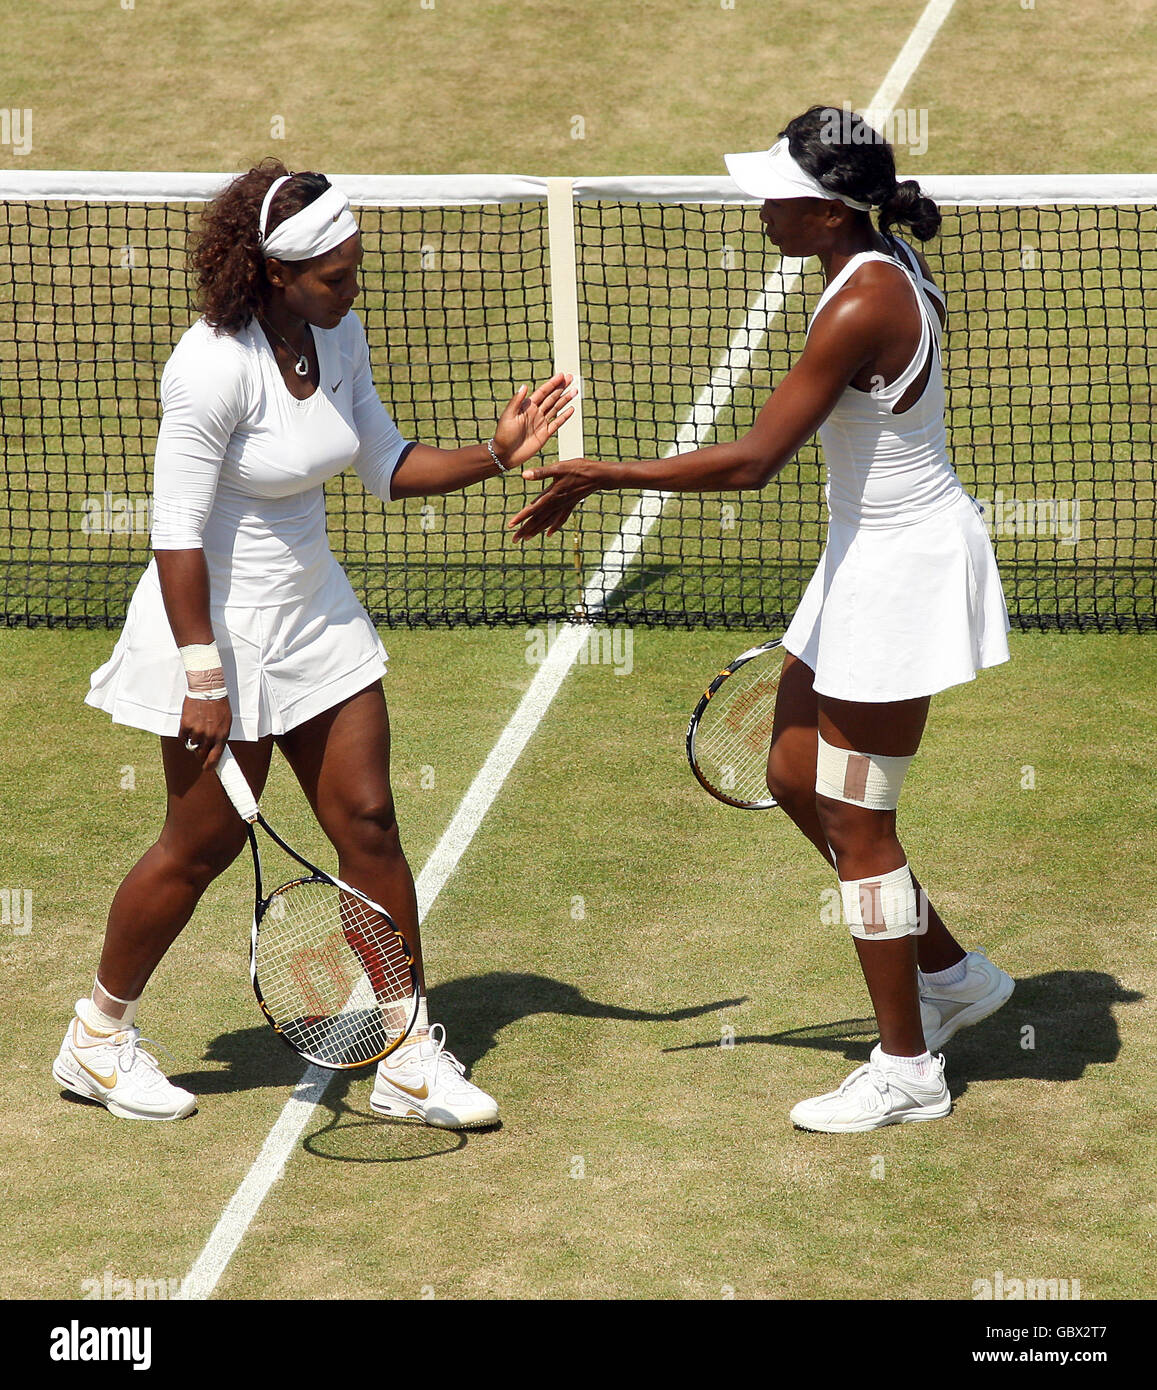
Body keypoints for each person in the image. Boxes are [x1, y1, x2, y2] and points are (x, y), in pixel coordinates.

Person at [509, 106, 1015, 1133]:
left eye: (775, 192)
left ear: (824, 213)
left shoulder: (857, 303)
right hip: (861, 561)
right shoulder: (866, 263)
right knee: (791, 774)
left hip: (899, 576)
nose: (759, 206)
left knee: (857, 821)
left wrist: (602, 469)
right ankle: (951, 973)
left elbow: (750, 460)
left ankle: (906, 1069)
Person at [54, 160, 573, 1127]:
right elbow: (174, 532)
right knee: (198, 848)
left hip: (317, 618)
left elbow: (384, 462)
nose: (354, 287)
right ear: (270, 275)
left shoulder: (338, 336)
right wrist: (202, 676)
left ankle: (408, 1052)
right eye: (334, 276)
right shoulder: (210, 367)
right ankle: (97, 1037)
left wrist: (497, 454)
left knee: (369, 822)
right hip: (212, 631)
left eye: (356, 266)